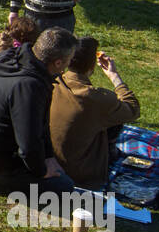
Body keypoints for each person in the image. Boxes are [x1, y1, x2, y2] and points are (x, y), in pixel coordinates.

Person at [0, 27, 78, 199]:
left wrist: (49, 157)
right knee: (64, 186)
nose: (68, 66)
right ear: (58, 62)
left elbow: (41, 125)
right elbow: (28, 143)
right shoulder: (29, 86)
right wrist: (42, 171)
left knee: (56, 169)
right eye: (69, 60)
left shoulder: (13, 58)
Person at [49, 37, 140, 189]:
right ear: (91, 65)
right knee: (115, 119)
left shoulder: (52, 83)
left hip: (49, 163)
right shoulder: (97, 99)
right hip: (82, 175)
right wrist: (114, 76)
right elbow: (132, 109)